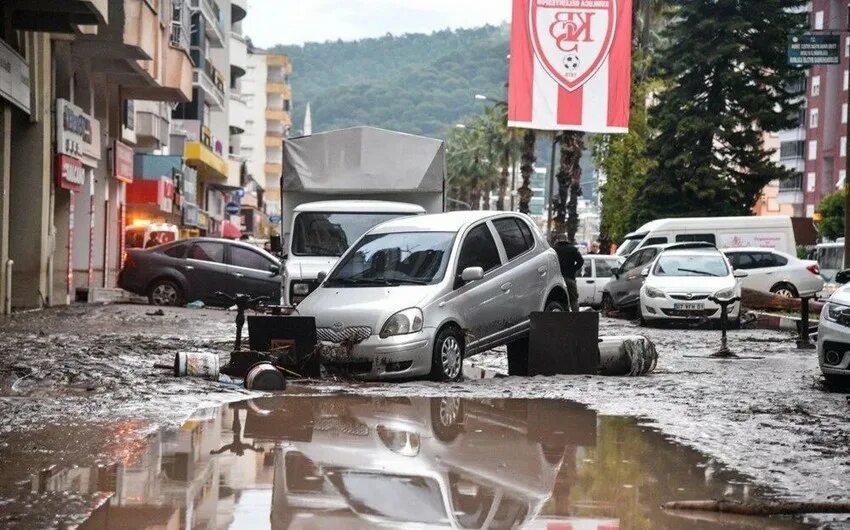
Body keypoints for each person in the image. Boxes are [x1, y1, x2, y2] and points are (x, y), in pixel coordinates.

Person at [553, 235, 584, 312]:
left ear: (557, 240)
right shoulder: (573, 249)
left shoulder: (554, 250)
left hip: (556, 279)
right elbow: (581, 261)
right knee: (573, 299)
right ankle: (576, 318)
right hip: (570, 278)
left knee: (557, 299)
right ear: (567, 240)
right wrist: (573, 269)